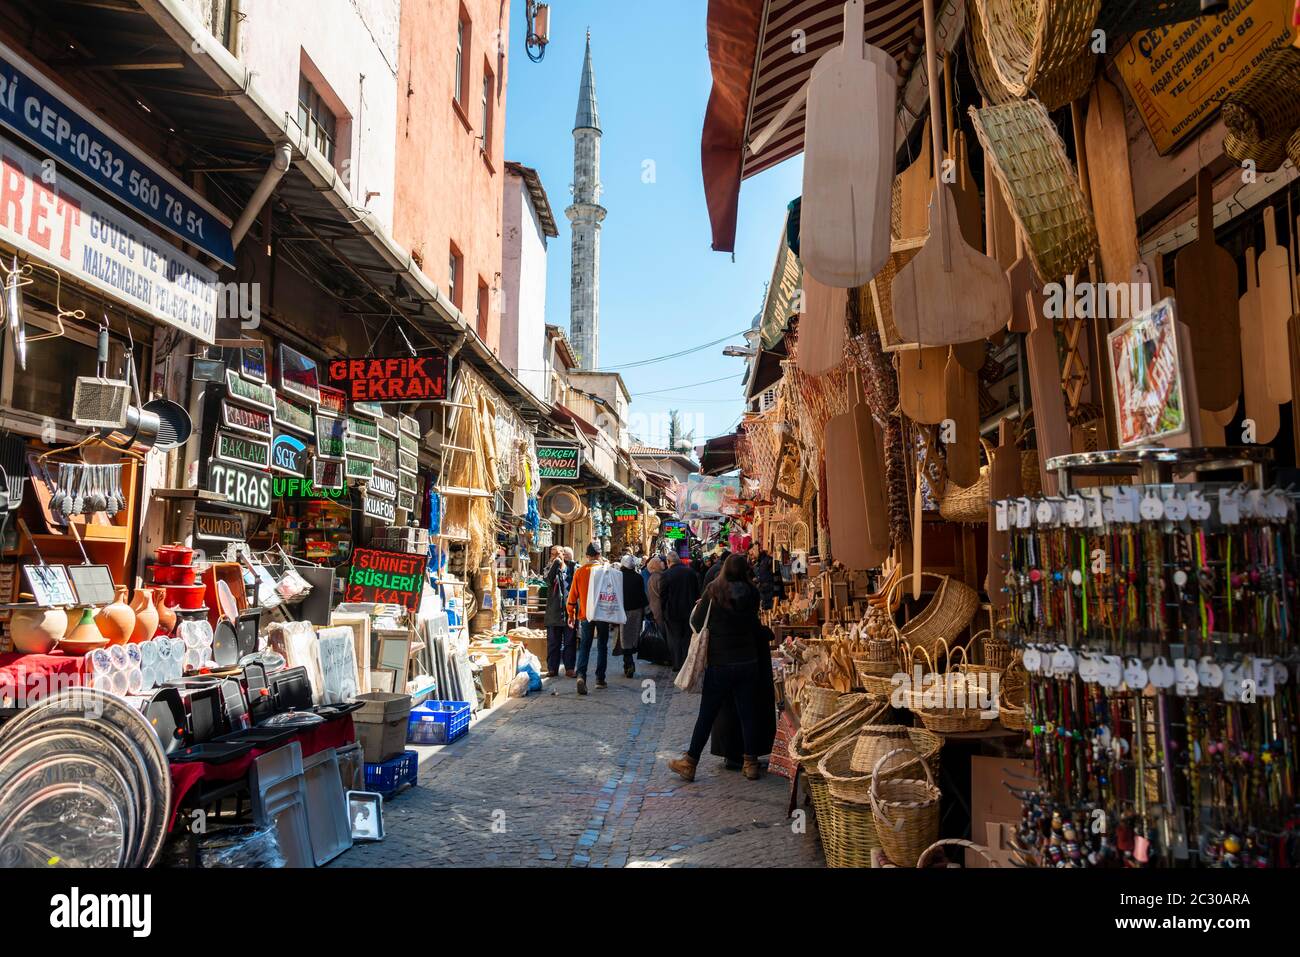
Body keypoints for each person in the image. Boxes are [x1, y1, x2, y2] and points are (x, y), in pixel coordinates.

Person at [668, 554, 766, 782]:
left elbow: (697, 623)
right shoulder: (752, 594)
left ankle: (690, 762)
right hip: (747, 660)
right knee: (748, 713)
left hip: (720, 663)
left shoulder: (714, 590)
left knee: (707, 714)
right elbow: (754, 625)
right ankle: (750, 763)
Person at [566, 542, 613, 695]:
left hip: (585, 615)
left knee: (585, 646)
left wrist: (571, 614)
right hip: (602, 615)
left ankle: (581, 676)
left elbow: (572, 596)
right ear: (599, 555)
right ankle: (600, 679)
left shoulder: (579, 572)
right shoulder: (605, 571)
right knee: (602, 646)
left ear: (587, 556)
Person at [659, 550, 700, 671]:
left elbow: (663, 595)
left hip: (673, 612)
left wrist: (663, 610)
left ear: (668, 561)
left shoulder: (666, 574)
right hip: (689, 610)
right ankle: (687, 663)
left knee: (676, 638)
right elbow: (696, 591)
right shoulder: (690, 572)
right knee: (687, 637)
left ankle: (678, 664)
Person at [542, 546, 575, 677]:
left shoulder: (572, 569)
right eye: (552, 554)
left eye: (557, 554)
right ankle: (552, 668)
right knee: (553, 643)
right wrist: (555, 564)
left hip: (569, 611)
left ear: (563, 554)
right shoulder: (549, 569)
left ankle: (569, 668)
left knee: (570, 642)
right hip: (554, 612)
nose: (554, 556)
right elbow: (548, 580)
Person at [616, 554, 648, 678]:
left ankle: (628, 662)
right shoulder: (638, 577)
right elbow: (642, 595)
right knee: (633, 636)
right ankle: (628, 662)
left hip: (622, 611)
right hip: (636, 611)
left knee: (624, 638)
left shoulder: (619, 577)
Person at [747, 543, 786, 611]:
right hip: (763, 599)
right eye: (750, 555)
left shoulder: (771, 560)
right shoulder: (756, 565)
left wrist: (777, 596)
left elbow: (778, 579)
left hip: (773, 598)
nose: (752, 556)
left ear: (757, 549)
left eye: (752, 552)